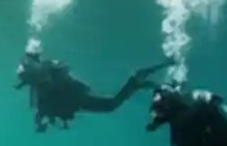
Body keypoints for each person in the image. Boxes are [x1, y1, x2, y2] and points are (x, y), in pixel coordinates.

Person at [15, 44, 174, 132]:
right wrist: (39, 122)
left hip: (77, 99)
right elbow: (41, 108)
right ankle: (135, 83)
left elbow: (44, 105)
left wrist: (40, 121)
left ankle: (137, 79)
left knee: (111, 105)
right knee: (111, 104)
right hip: (76, 101)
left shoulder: (46, 75)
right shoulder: (39, 85)